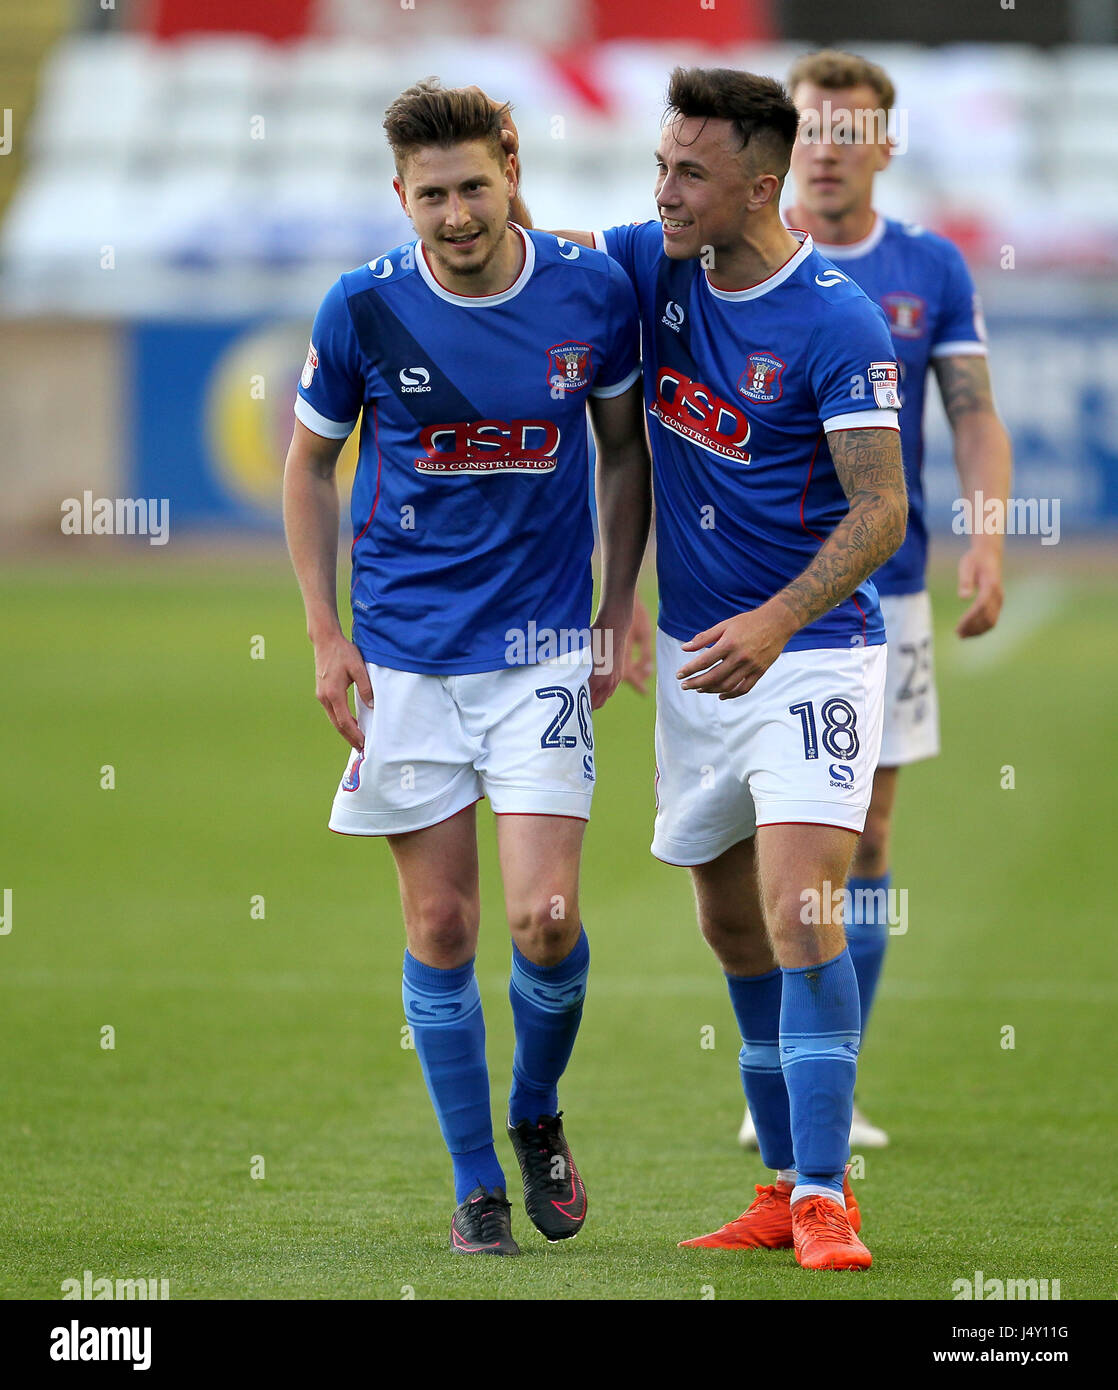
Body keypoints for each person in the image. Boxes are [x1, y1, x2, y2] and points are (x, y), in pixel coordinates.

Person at [500, 67, 907, 1269]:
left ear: (758, 186)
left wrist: (776, 621)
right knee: (731, 928)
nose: (662, 192)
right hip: (695, 663)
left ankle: (827, 1194)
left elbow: (880, 510)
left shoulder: (834, 318)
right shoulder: (654, 264)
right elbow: (546, 257)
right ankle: (780, 1186)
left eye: (688, 172)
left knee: (798, 909)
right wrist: (492, 192)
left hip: (810, 653)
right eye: (658, 166)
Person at [282, 80, 651, 1256]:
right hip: (404, 659)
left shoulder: (590, 293)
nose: (454, 215)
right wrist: (324, 632)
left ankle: (534, 1110)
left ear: (511, 171)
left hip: (540, 650)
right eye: (430, 195)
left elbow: (624, 453)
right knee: (441, 923)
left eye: (473, 188)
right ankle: (473, 1183)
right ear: (400, 194)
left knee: (545, 917)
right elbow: (307, 468)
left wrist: (617, 605)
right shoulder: (362, 307)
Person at [732, 50, 1012, 1152]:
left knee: (863, 837)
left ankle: (830, 1082)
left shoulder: (927, 267)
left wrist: (986, 536)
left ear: (886, 147)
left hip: (882, 595)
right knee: (749, 857)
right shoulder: (739, 258)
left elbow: (972, 412)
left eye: (852, 132)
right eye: (812, 128)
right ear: (784, 143)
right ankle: (778, 1068)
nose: (829, 150)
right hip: (748, 593)